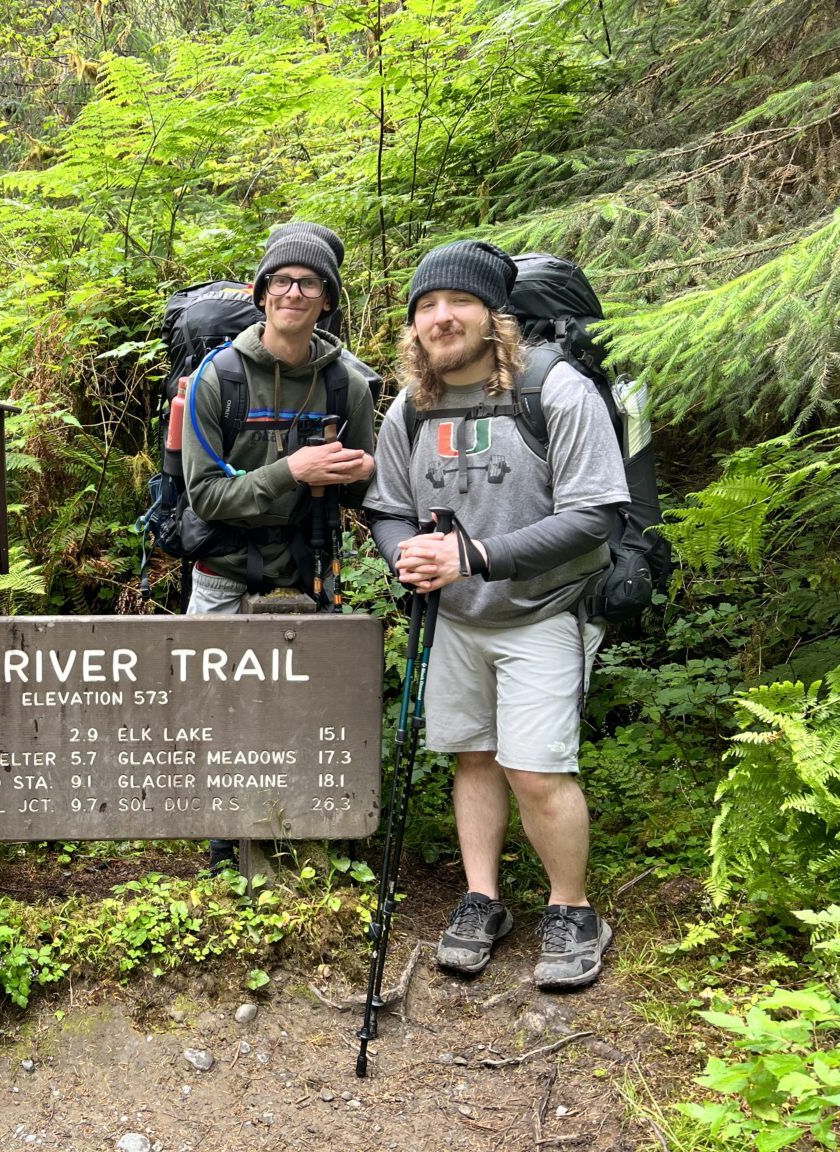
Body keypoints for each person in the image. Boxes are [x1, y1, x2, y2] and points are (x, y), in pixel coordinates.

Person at [363, 240, 628, 990]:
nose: (440, 318)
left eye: (457, 303)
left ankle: (572, 909)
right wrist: (406, 555)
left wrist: (471, 557)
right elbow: (386, 506)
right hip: (455, 617)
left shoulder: (557, 390)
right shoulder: (410, 408)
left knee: (536, 769)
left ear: (493, 316)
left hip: (544, 609)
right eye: (425, 307)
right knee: (472, 756)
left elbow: (593, 517)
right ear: (413, 325)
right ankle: (482, 898)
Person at [181, 223, 379, 871]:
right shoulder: (219, 379)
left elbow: (361, 495)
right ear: (260, 292)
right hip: (222, 573)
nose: (293, 292)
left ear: (327, 299)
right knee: (214, 712)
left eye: (309, 282)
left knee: (305, 707)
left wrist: (365, 478)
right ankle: (222, 843)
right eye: (282, 281)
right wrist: (292, 472)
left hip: (306, 571)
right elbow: (206, 496)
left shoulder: (348, 385)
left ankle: (298, 832)